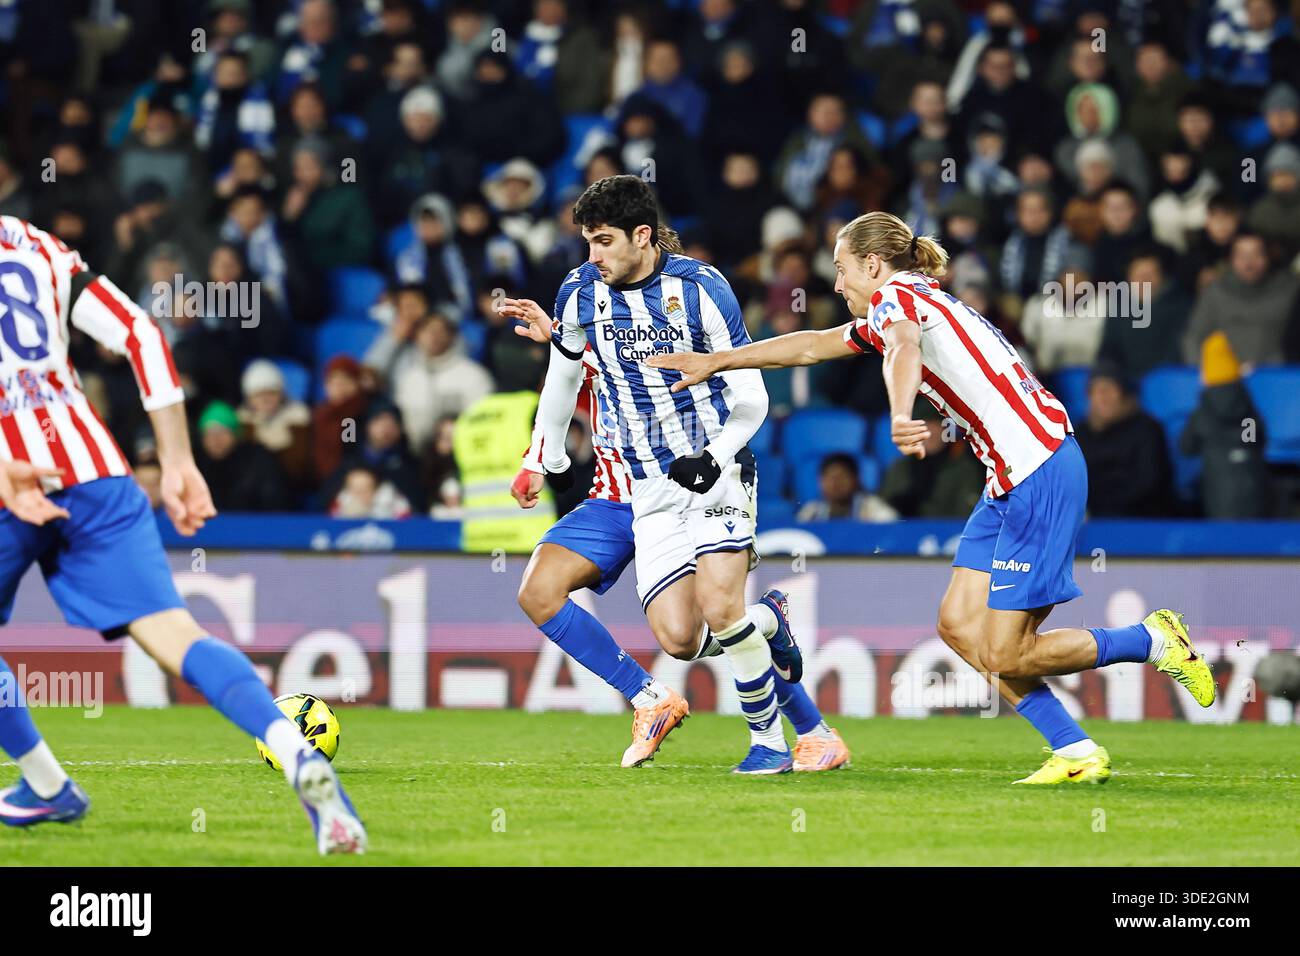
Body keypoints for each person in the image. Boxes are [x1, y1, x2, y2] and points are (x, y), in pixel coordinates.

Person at [650, 210, 1217, 784]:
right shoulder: (911, 298)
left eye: (843, 270)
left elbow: (901, 349)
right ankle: (1073, 750)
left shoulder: (896, 298)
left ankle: (1149, 639)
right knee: (958, 624)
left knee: (1008, 653)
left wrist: (899, 413)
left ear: (873, 264)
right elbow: (813, 346)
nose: (838, 283)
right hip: (1010, 477)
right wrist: (718, 360)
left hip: (1039, 470)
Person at [0, 218, 364, 852]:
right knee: (175, 634)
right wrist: (176, 459)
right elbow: (142, 331)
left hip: (12, 480)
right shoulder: (29, 242)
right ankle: (294, 752)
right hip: (97, 471)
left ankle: (48, 783)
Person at [504, 175, 802, 774]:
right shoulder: (581, 291)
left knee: (720, 608)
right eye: (587, 242)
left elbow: (752, 394)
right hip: (644, 489)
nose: (593, 256)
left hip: (713, 471)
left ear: (643, 236)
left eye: (604, 242)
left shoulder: (701, 289)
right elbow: (564, 375)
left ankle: (770, 744)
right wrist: (542, 455)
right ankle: (767, 619)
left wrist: (713, 456)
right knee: (679, 640)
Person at [509, 333, 849, 772]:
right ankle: (649, 697)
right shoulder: (589, 316)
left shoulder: (678, 315)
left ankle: (806, 726)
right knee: (539, 590)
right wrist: (537, 458)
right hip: (614, 499)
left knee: (699, 630)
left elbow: (741, 391)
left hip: (682, 491)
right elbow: (563, 375)